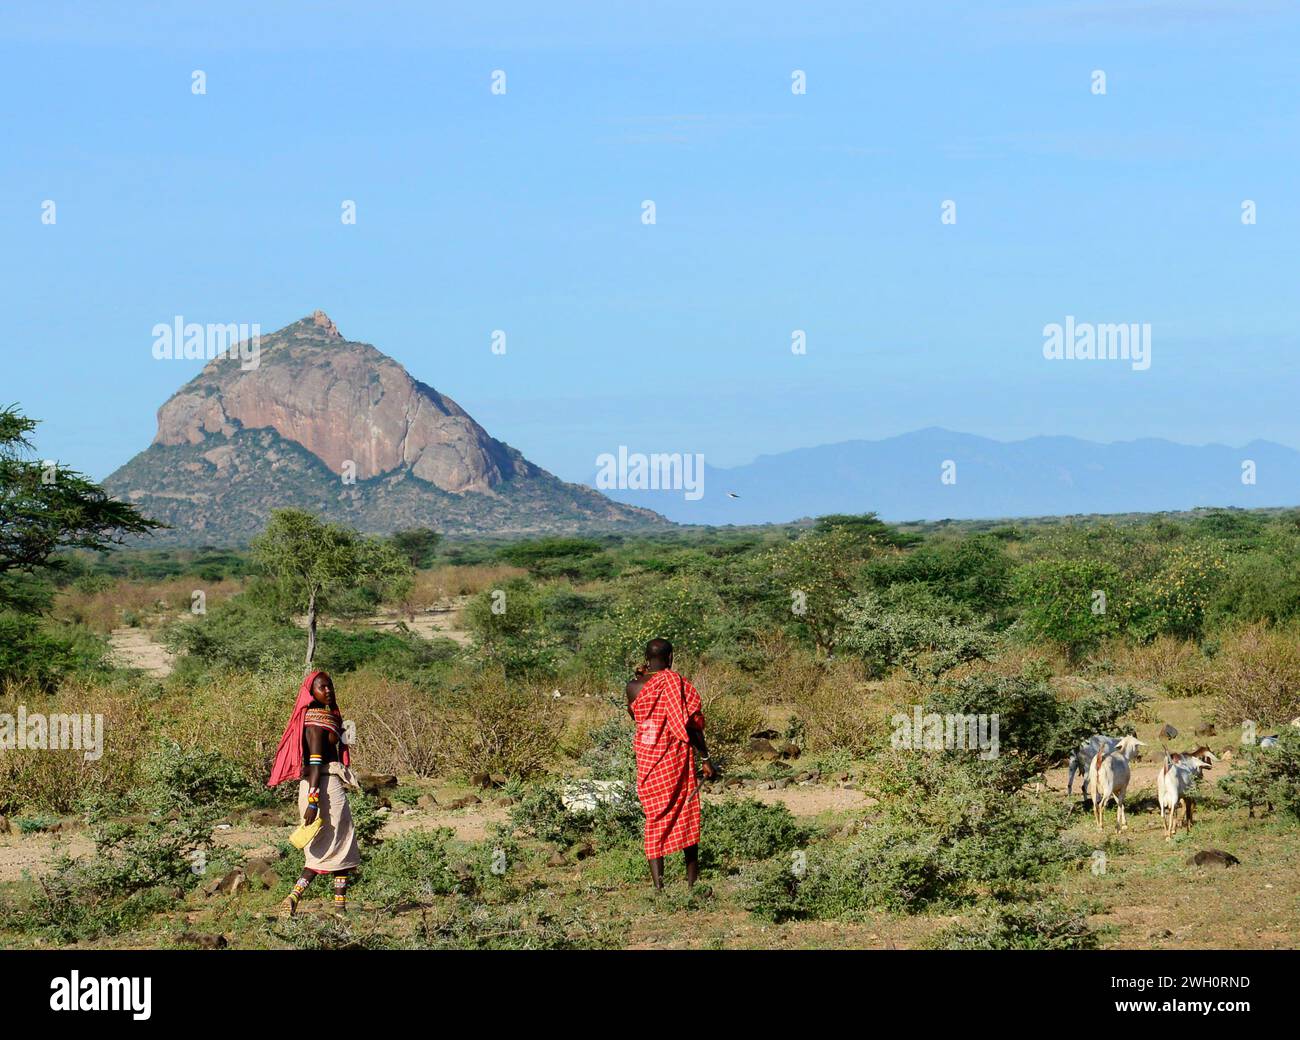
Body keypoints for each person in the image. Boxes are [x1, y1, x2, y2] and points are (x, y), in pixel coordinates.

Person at [268, 670, 360, 917]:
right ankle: (337, 907)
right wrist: (313, 801)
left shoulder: (324, 719)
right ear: (311, 693)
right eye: (322, 687)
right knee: (341, 843)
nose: (328, 690)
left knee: (325, 846)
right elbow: (316, 764)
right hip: (323, 788)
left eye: (330, 686)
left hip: (317, 787)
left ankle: (296, 897)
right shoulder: (316, 722)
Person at [625, 638, 715, 890]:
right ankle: (692, 885)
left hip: (647, 759)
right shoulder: (678, 684)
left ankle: (658, 887)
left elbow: (637, 716)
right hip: (675, 757)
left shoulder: (633, 686)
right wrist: (705, 758)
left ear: (646, 657)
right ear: (671, 657)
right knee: (685, 811)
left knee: (654, 818)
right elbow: (692, 724)